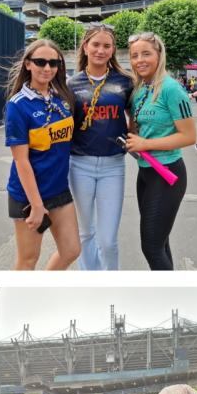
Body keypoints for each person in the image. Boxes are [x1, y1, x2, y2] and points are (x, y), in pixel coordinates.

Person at [4, 38, 81, 271]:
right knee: (28, 260)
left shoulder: (62, 99)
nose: (47, 68)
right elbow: (21, 160)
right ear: (28, 64)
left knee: (71, 250)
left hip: (59, 189)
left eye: (53, 63)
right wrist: (36, 205)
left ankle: (41, 288)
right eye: (40, 62)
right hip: (28, 196)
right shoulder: (17, 105)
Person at [124, 31, 197, 270]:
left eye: (146, 54)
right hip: (145, 172)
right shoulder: (140, 89)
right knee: (160, 243)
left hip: (168, 173)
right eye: (135, 55)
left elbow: (189, 136)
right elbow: (136, 128)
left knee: (152, 247)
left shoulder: (171, 89)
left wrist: (146, 144)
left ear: (159, 55)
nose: (139, 60)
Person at [67, 23, 134, 271]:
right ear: (85, 46)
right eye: (95, 44)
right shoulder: (71, 84)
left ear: (113, 49)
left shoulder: (125, 82)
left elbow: (135, 116)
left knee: (108, 241)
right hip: (79, 164)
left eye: (107, 46)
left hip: (113, 166)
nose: (100, 50)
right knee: (85, 233)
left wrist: (136, 138)